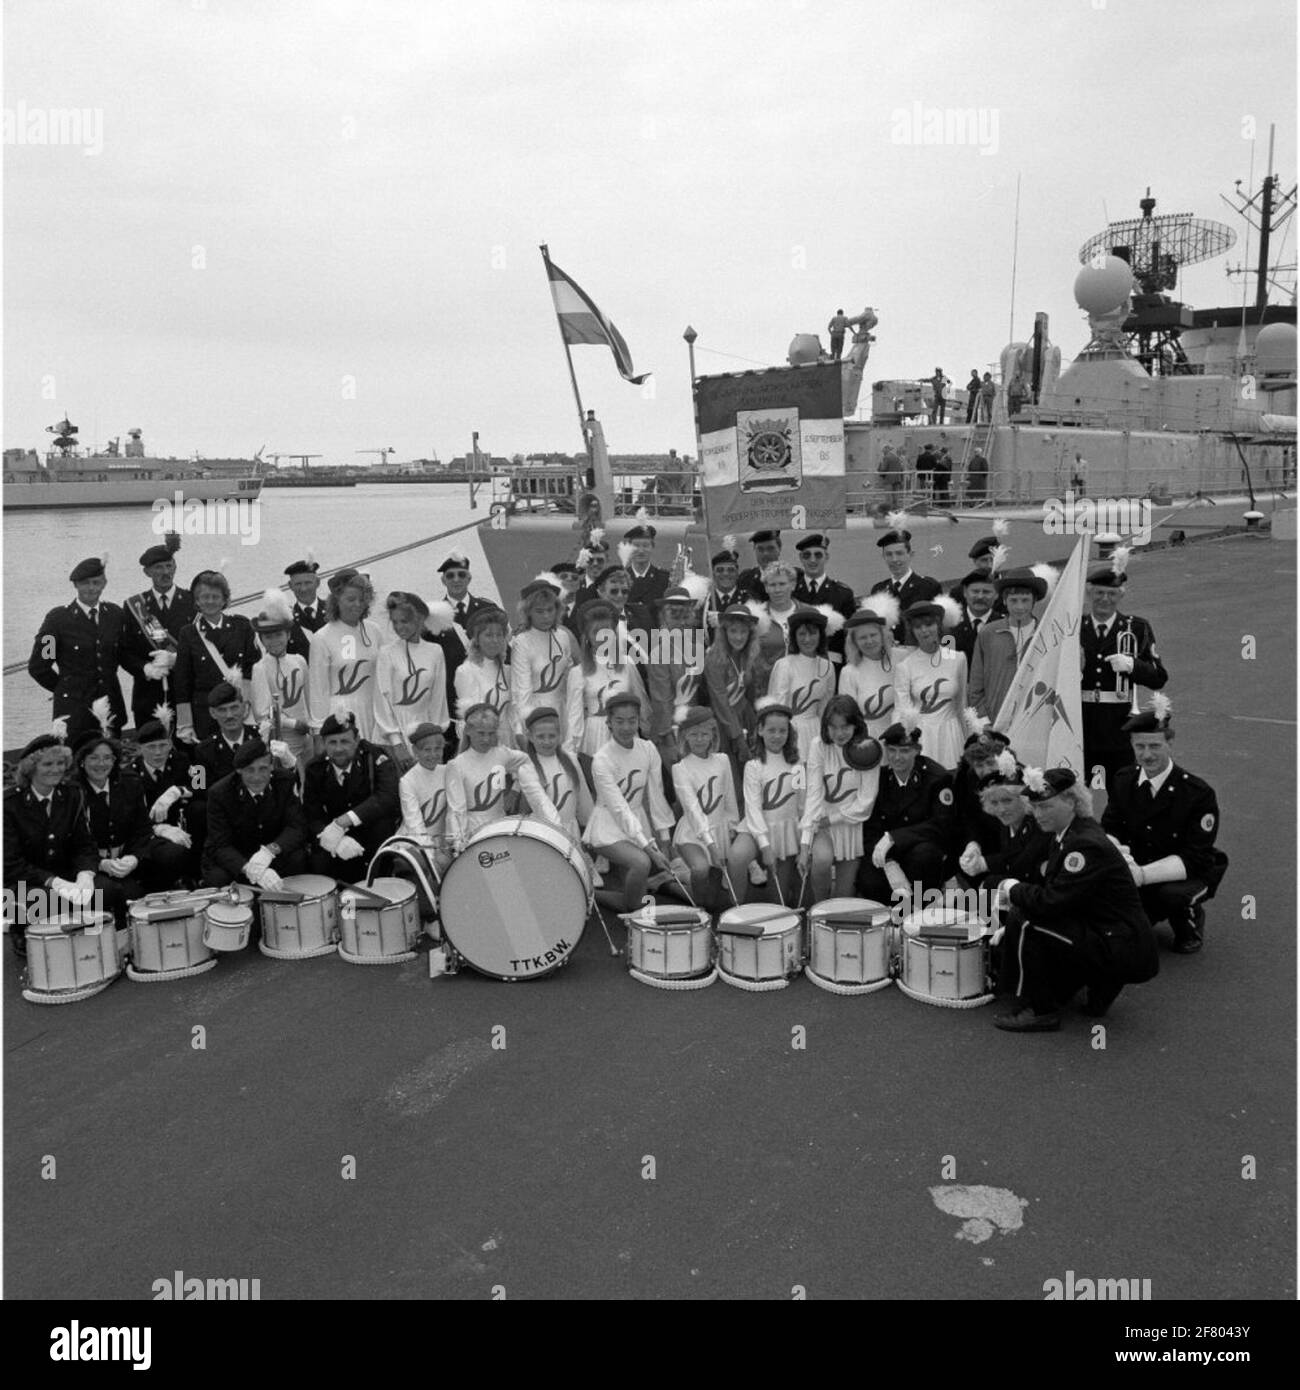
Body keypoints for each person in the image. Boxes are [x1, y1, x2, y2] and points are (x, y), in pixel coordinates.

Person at [992, 768, 1158, 1031]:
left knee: (1023, 920)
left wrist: (1012, 889)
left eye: (1046, 806)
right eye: (1034, 807)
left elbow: (1050, 902)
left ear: (1071, 801)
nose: (1038, 814)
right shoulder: (1072, 832)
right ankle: (1095, 982)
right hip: (1111, 932)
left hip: (1120, 945)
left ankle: (1041, 1009)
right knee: (1025, 919)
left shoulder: (1082, 844)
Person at [1100, 698, 1228, 955]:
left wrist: (1143, 876)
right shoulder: (1124, 780)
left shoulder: (1197, 793)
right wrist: (1126, 865)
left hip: (1181, 872)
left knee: (1172, 897)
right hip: (1135, 866)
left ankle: (1189, 920)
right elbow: (1110, 829)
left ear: (1170, 744)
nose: (1147, 755)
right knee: (1122, 931)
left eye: (1155, 746)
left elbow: (1194, 856)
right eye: (1140, 746)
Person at [3, 734, 97, 957]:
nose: (56, 769)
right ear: (30, 768)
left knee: (108, 890)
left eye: (60, 763)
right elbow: (10, 863)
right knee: (46, 899)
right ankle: (22, 932)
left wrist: (86, 874)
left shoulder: (72, 795)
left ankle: (92, 945)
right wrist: (53, 881)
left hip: (66, 875)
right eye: (47, 764)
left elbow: (84, 844)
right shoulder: (9, 805)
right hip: (22, 884)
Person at [1081, 552, 1168, 789]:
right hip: (1081, 721)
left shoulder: (1137, 627)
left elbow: (1158, 678)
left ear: (1120, 595)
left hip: (1119, 723)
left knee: (1122, 790)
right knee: (1076, 791)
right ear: (1090, 593)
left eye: (1111, 594)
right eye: (1099, 593)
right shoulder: (1074, 627)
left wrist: (1132, 665)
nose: (1105, 599)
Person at [583, 691, 676, 914]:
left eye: (632, 721)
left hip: (636, 822)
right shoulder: (602, 760)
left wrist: (664, 841)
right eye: (619, 721)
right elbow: (618, 808)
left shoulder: (648, 749)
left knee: (637, 886)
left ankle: (595, 895)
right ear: (608, 723)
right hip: (607, 825)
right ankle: (628, 908)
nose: (626, 727)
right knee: (642, 863)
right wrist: (650, 849)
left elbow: (657, 797)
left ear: (639, 720)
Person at [28, 556, 127, 744]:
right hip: (74, 713)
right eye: (85, 583)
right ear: (76, 585)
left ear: (104, 583)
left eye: (96, 582)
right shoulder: (57, 619)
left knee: (110, 760)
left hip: (110, 709)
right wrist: (64, 689)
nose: (91, 588)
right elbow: (39, 666)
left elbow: (125, 653)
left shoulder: (115, 615)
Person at [857, 719, 954, 905]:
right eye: (892, 750)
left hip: (919, 850)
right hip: (888, 852)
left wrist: (894, 837)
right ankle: (889, 920)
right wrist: (890, 863)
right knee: (868, 879)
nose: (897, 757)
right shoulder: (880, 778)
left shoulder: (937, 778)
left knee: (924, 858)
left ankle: (917, 914)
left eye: (904, 751)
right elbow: (870, 826)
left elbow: (941, 825)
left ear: (918, 750)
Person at [798, 696, 881, 903]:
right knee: (822, 860)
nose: (839, 733)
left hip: (851, 827)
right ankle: (818, 907)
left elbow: (865, 802)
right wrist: (805, 845)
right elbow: (814, 795)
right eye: (832, 727)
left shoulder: (868, 749)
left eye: (845, 726)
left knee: (843, 901)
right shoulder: (818, 745)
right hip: (823, 825)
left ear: (856, 725)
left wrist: (833, 819)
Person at [302, 708, 401, 881]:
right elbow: (312, 814)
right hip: (336, 844)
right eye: (332, 742)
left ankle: (375, 906)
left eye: (345, 741)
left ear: (356, 740)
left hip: (372, 839)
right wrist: (335, 841)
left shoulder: (375, 757)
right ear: (324, 744)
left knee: (375, 888)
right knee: (324, 868)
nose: (339, 748)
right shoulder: (315, 769)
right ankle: (345, 905)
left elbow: (387, 797)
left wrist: (343, 821)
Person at [201, 740, 310, 891]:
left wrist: (270, 851)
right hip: (237, 856)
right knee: (218, 877)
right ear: (239, 770)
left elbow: (296, 827)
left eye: (263, 768)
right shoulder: (219, 793)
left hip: (270, 852)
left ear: (272, 766)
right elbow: (220, 845)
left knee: (298, 858)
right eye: (249, 770)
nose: (257, 777)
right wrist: (250, 869)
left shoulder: (285, 782)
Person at [730, 698, 804, 906]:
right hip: (757, 829)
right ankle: (737, 907)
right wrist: (764, 846)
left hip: (786, 829)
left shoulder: (797, 764)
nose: (777, 736)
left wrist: (802, 841)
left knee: (778, 898)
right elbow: (753, 809)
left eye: (782, 731)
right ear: (760, 731)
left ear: (789, 733)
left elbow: (801, 803)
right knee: (737, 856)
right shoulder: (753, 766)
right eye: (771, 730)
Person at [172, 569, 258, 743]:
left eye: (215, 596)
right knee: (207, 764)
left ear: (225, 599)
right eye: (205, 597)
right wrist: (185, 723)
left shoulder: (242, 626)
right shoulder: (188, 633)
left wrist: (247, 706)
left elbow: (252, 668)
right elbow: (182, 682)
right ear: (197, 601)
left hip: (238, 710)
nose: (210, 601)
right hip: (206, 713)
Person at [70, 728, 153, 906]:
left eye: (108, 758)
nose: (101, 764)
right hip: (89, 866)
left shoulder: (130, 783)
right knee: (111, 893)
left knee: (137, 895)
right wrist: (99, 863)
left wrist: (134, 858)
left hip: (123, 858)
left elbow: (142, 829)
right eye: (93, 758)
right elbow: (70, 843)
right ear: (82, 761)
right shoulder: (72, 793)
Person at [670, 707, 741, 910]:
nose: (699, 739)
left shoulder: (722, 760)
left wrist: (733, 828)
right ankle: (688, 900)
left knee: (713, 900)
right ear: (684, 737)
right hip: (693, 833)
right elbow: (692, 809)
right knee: (701, 871)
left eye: (704, 734)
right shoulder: (680, 768)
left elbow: (729, 799)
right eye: (693, 734)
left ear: (713, 734)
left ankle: (676, 881)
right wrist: (711, 845)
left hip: (720, 831)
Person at [564, 601, 649, 770]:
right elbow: (574, 716)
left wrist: (645, 730)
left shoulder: (627, 664)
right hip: (596, 735)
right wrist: (570, 751)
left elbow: (641, 702)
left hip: (626, 731)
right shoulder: (578, 672)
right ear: (587, 636)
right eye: (596, 632)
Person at [120, 544, 193, 729]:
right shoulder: (134, 606)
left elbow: (204, 649)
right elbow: (124, 652)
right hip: (148, 697)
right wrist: (145, 668)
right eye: (158, 568)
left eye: (169, 566)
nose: (165, 572)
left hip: (187, 695)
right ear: (147, 572)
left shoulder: (193, 602)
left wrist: (177, 659)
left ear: (175, 567)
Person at [374, 592, 450, 769]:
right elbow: (382, 700)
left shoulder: (435, 651)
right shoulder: (387, 653)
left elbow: (438, 698)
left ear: (420, 619)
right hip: (395, 734)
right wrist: (396, 742)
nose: (399, 627)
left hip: (426, 733)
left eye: (404, 621)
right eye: (395, 622)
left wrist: (434, 737)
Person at [307, 569, 384, 744]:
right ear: (337, 600)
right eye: (350, 599)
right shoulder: (322, 637)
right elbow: (319, 691)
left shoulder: (375, 631)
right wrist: (319, 735)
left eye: (362, 599)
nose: (357, 604)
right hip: (340, 717)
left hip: (373, 714)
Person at [892, 600, 969, 769]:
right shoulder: (905, 666)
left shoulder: (958, 659)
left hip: (952, 734)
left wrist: (969, 739)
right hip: (922, 737)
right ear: (912, 631)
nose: (924, 630)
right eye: (918, 626)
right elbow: (902, 709)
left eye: (929, 624)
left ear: (939, 626)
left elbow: (962, 704)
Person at [701, 602, 770, 791]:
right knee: (730, 778)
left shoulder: (749, 655)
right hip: (723, 724)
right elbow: (720, 702)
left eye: (743, 632)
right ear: (724, 632)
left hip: (744, 717)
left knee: (751, 774)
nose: (738, 637)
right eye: (733, 631)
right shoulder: (714, 658)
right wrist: (737, 737)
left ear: (750, 634)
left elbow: (749, 695)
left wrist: (757, 724)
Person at [968, 567, 1050, 722]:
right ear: (1004, 600)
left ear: (1034, 601)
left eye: (1025, 600)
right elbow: (976, 684)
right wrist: (984, 719)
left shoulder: (1046, 634)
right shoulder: (988, 633)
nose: (1019, 607)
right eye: (1013, 600)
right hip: (996, 719)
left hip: (1035, 720)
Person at [645, 585, 705, 786]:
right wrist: (670, 739)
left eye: (684, 616)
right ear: (664, 617)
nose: (680, 622)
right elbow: (661, 700)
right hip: (671, 732)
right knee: (683, 788)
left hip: (696, 726)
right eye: (674, 615)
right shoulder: (659, 652)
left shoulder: (696, 647)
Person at [128, 710, 196, 886]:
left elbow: (202, 785)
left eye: (163, 745)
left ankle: (197, 875)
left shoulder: (184, 759)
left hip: (182, 822)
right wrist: (158, 828)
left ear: (170, 744)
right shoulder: (129, 774)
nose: (158, 752)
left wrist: (178, 790)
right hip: (150, 832)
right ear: (140, 749)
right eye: (151, 747)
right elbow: (129, 816)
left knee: (201, 810)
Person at [249, 590, 314, 774]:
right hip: (283, 738)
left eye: (279, 635)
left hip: (307, 733)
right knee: (291, 780)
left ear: (288, 634)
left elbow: (309, 698)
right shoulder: (260, 668)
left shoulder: (299, 660)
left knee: (312, 780)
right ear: (261, 640)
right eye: (268, 637)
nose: (274, 640)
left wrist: (311, 725)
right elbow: (263, 713)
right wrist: (293, 724)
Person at [510, 578, 579, 744]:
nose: (546, 616)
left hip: (563, 709)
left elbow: (571, 677)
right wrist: (524, 727)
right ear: (528, 613)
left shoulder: (563, 636)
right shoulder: (522, 641)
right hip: (536, 712)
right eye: (539, 611)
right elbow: (522, 689)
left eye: (550, 610)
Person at [769, 608, 837, 761]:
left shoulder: (828, 667)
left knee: (815, 779)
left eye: (812, 633)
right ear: (794, 636)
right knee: (795, 781)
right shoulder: (785, 665)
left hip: (816, 732)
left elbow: (825, 707)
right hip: (790, 732)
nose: (807, 639)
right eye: (801, 634)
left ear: (820, 635)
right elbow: (777, 706)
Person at [521, 707, 593, 846]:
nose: (547, 742)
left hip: (571, 830)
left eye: (552, 736)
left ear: (560, 735)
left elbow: (583, 798)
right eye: (541, 736)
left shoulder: (571, 760)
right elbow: (540, 803)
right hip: (544, 833)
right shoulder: (527, 768)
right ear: (530, 737)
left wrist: (591, 830)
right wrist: (561, 836)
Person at [792, 532, 856, 664]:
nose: (812, 560)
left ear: (826, 557)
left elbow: (849, 636)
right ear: (800, 558)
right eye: (807, 555)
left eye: (818, 555)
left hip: (832, 664)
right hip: (797, 661)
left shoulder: (843, 593)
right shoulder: (791, 591)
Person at [869, 530, 941, 643]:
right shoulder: (878, 590)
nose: (894, 559)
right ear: (883, 557)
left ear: (910, 555)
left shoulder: (928, 587)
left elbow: (941, 627)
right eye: (889, 554)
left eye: (899, 553)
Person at [397, 722, 452, 867]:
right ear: (415, 751)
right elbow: (415, 824)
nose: (433, 755)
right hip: (416, 841)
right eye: (427, 750)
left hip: (444, 840)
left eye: (438, 749)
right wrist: (432, 855)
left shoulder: (447, 771)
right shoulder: (408, 781)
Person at [839, 604, 898, 737]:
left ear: (882, 635)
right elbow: (848, 716)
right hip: (868, 740)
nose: (869, 641)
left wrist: (949, 648)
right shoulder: (849, 672)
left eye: (873, 635)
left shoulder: (901, 658)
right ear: (854, 642)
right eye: (863, 638)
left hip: (902, 739)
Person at [950, 572, 1000, 667]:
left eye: (986, 592)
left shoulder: (1004, 625)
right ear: (965, 592)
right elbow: (947, 661)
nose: (980, 597)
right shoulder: (950, 626)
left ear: (996, 594)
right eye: (975, 591)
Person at [755, 560, 802, 662]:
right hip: (766, 676)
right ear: (766, 588)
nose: (777, 590)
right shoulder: (756, 615)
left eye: (782, 584)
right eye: (772, 585)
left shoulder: (806, 613)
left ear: (793, 585)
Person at [284, 558, 328, 661]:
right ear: (290, 586)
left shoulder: (335, 611)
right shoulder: (286, 620)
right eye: (298, 584)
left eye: (308, 583)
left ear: (317, 582)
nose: (303, 589)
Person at [438, 551, 494, 628]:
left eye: (461, 575)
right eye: (450, 575)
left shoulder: (488, 608)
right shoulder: (437, 617)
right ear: (443, 580)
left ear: (469, 578)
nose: (456, 580)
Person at [621, 523, 670, 608]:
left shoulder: (664, 578)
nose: (641, 551)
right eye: (636, 546)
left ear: (652, 547)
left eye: (646, 546)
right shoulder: (621, 577)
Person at [737, 530, 782, 602]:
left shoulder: (794, 576)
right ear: (754, 550)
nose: (765, 554)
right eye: (760, 549)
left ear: (779, 549)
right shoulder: (745, 579)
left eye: (770, 548)